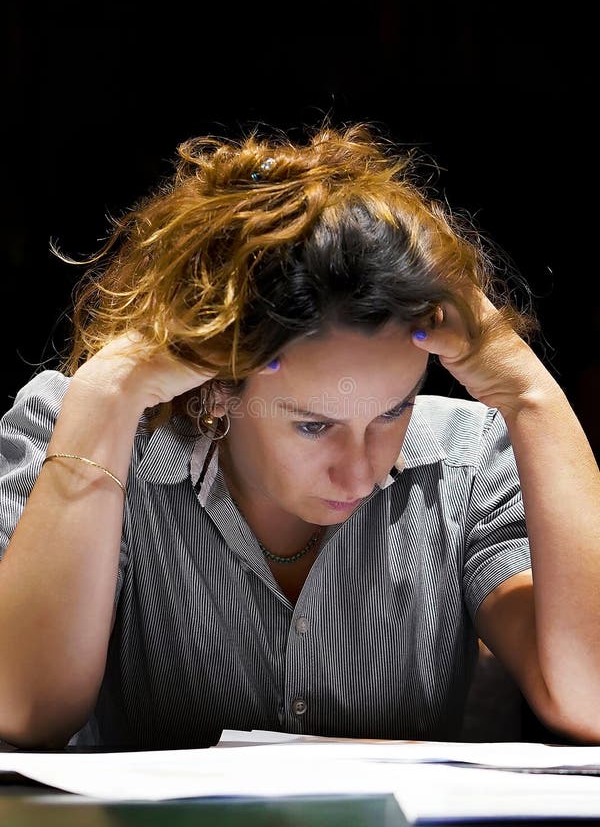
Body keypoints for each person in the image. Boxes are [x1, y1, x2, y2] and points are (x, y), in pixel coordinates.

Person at [0, 122, 598, 750]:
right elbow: (22, 709)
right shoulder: (83, 429)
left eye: (393, 412)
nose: (361, 472)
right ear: (216, 384)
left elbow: (592, 699)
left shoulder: (469, 460)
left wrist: (531, 395)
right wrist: (109, 394)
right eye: (314, 425)